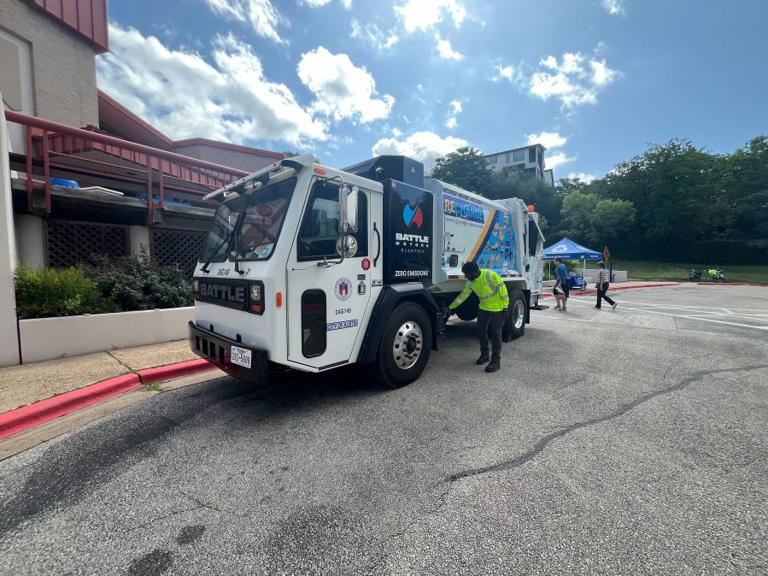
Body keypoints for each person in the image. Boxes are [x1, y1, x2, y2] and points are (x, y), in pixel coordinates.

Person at [448, 261, 509, 373]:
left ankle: (496, 361)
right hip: (483, 308)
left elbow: (503, 290)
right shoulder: (470, 282)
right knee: (481, 331)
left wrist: (505, 307)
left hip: (498, 309)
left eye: (467, 274)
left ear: (475, 272)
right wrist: (451, 307)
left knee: (495, 334)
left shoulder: (490, 275)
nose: (466, 276)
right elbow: (463, 296)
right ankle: (484, 355)